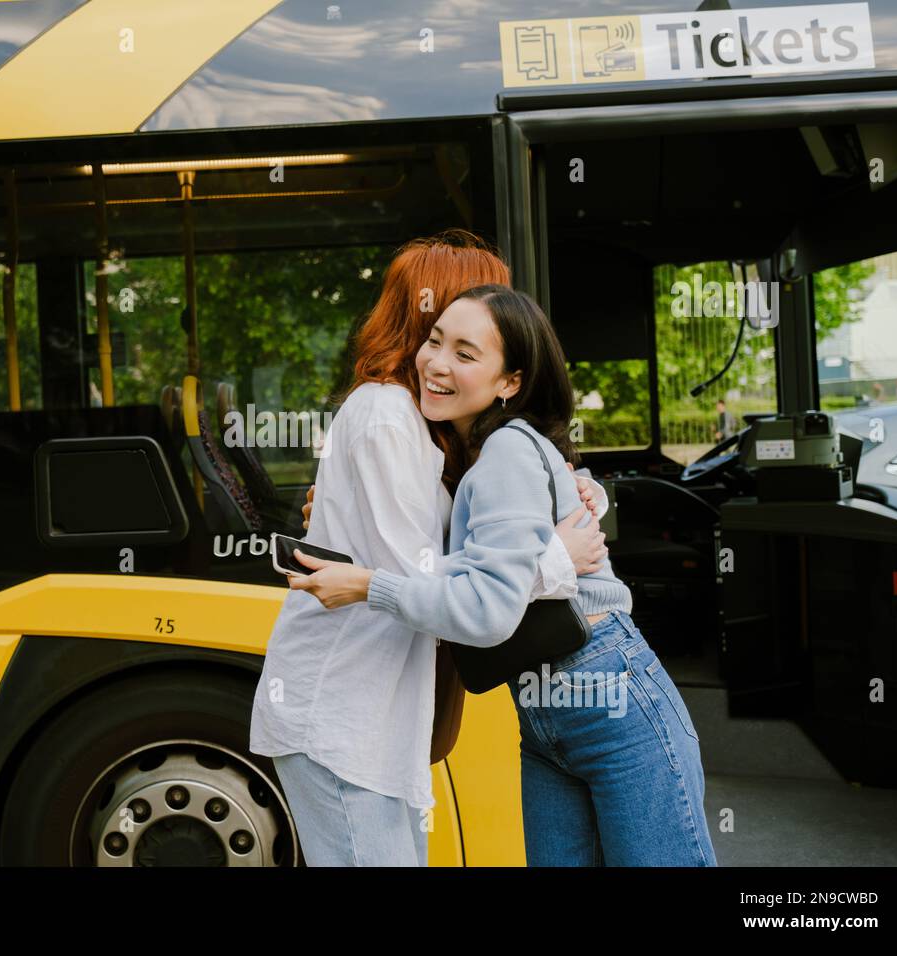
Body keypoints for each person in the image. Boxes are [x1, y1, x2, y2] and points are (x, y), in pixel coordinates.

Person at [291, 284, 717, 866]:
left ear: (510, 382)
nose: (437, 364)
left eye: (466, 355)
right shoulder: (481, 454)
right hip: (546, 716)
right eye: (435, 341)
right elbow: (453, 566)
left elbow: (484, 609)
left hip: (608, 698)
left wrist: (367, 585)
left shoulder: (508, 452)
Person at [249, 232, 609, 867]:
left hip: (374, 714)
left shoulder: (419, 424)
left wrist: (570, 495)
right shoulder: (388, 414)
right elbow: (416, 579)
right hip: (342, 710)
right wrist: (553, 556)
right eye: (462, 319)